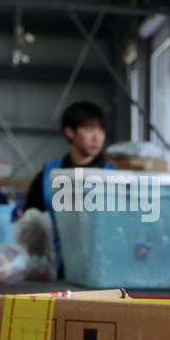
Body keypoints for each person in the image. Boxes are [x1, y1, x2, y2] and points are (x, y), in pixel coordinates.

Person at [25, 101, 116, 274]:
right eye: (89, 129)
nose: (97, 137)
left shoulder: (114, 178)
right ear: (70, 132)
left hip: (103, 270)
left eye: (101, 130)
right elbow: (31, 225)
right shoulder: (47, 175)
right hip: (55, 271)